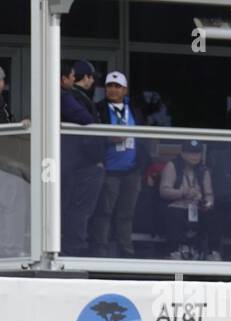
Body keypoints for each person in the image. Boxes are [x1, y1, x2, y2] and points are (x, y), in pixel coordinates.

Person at [90, 71, 145, 258]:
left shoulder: (135, 110)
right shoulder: (98, 109)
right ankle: (101, 252)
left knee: (126, 213)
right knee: (104, 212)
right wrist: (107, 139)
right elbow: (90, 137)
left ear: (125, 89)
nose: (113, 90)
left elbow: (145, 138)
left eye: (117, 86)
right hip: (108, 170)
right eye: (109, 86)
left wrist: (144, 165)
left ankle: (126, 252)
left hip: (132, 170)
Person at [59, 59, 104, 257]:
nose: (92, 81)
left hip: (76, 164)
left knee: (76, 209)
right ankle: (73, 252)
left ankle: (72, 250)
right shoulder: (70, 96)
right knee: (78, 210)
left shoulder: (75, 96)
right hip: (80, 165)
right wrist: (96, 157)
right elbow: (85, 120)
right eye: (91, 77)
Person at [158, 140, 215, 259]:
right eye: (191, 153)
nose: (195, 156)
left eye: (198, 153)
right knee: (174, 214)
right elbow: (164, 191)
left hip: (197, 207)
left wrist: (208, 204)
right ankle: (175, 251)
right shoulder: (172, 166)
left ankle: (208, 252)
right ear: (183, 154)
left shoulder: (204, 170)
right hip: (176, 206)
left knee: (213, 215)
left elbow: (209, 194)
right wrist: (183, 192)